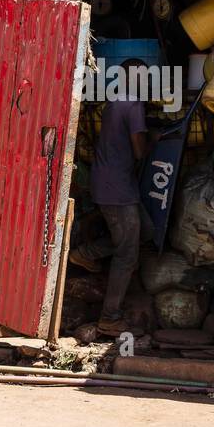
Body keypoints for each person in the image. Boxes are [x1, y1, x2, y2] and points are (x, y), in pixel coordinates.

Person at [69, 58, 151, 337]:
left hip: (107, 183)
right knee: (127, 253)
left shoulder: (115, 102)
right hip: (118, 189)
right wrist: (156, 138)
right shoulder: (134, 104)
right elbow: (139, 150)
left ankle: (84, 254)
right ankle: (110, 317)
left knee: (142, 232)